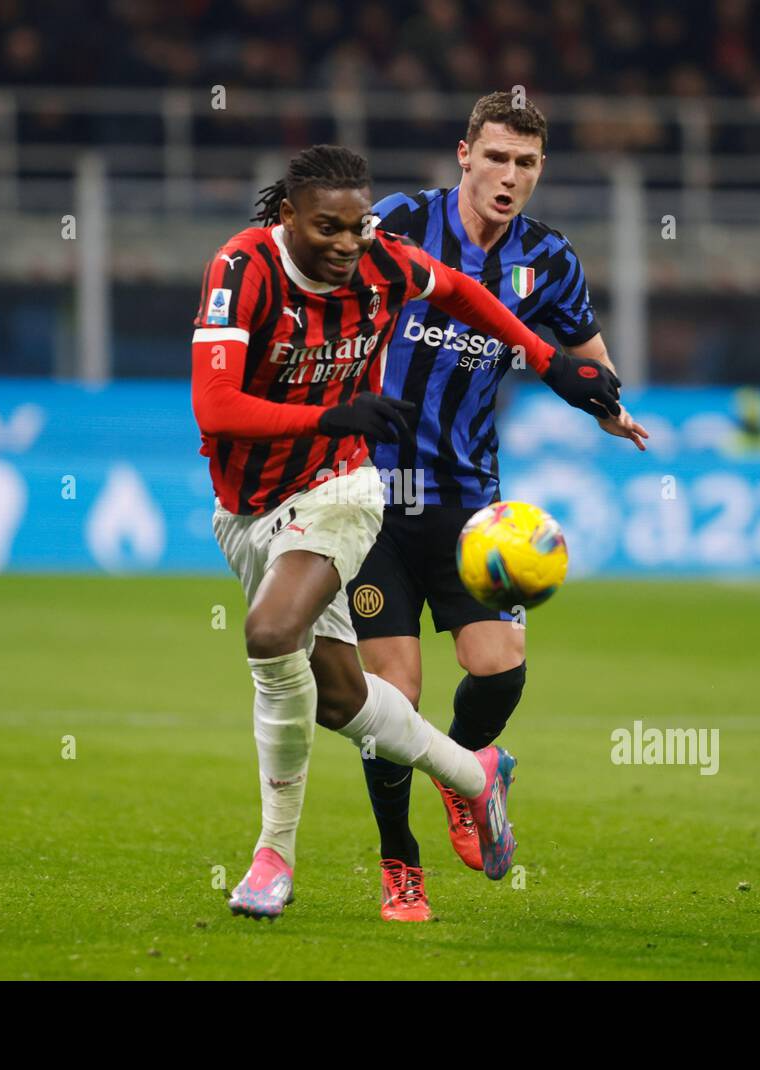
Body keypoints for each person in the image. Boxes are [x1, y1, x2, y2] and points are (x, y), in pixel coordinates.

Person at [191, 143, 623, 919]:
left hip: (348, 488)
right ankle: (471, 774)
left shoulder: (384, 261)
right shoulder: (242, 270)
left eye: (358, 229)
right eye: (328, 228)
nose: (347, 245)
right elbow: (215, 406)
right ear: (287, 217)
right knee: (342, 699)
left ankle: (275, 858)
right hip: (249, 506)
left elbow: (460, 292)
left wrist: (546, 361)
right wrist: (327, 412)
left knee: (271, 634)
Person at [349, 92, 649, 921]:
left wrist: (608, 402)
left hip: (471, 501)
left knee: (499, 667)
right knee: (392, 697)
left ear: (539, 170)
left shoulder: (549, 260)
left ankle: (467, 768)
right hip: (366, 496)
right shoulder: (398, 220)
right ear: (464, 155)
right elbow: (333, 289)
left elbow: (583, 355)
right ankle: (398, 865)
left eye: (526, 164)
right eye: (497, 158)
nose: (509, 176)